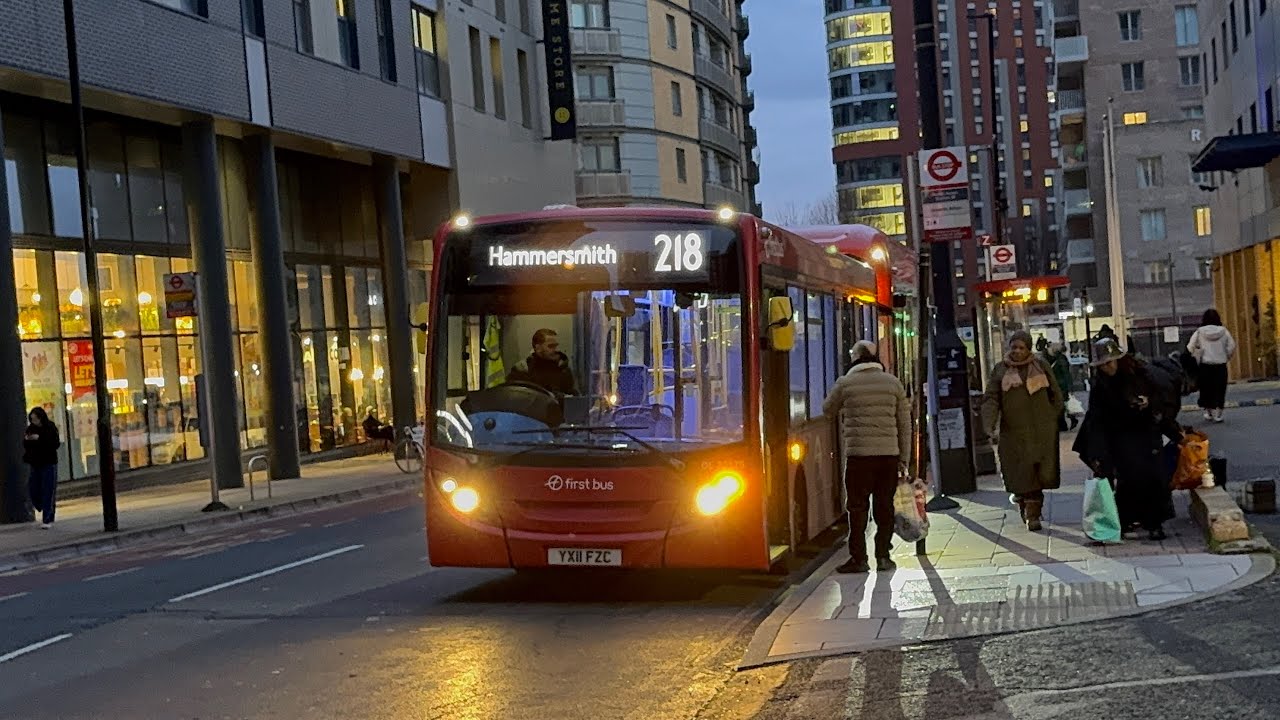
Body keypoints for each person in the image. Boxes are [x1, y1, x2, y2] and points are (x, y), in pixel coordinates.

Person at [1073, 338, 1182, 540]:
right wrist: (1098, 451)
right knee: (1128, 479)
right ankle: (1127, 520)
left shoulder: (1140, 374)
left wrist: (1148, 404)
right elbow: (1097, 418)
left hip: (1145, 432)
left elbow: (1161, 398)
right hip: (1120, 436)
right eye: (1103, 364)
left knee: (1153, 478)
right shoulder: (1101, 386)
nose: (1107, 367)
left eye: (1110, 362)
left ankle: (1154, 523)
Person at [822, 340, 911, 574]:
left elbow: (827, 409)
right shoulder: (893, 384)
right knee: (884, 507)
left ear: (856, 358)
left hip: (859, 456)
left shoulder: (846, 383)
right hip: (888, 456)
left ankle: (859, 559)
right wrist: (905, 457)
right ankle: (883, 556)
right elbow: (904, 424)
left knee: (857, 508)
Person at [980, 331, 1064, 531]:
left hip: (1041, 431)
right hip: (1013, 433)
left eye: (1021, 348)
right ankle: (1024, 506)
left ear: (1028, 349)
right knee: (1019, 473)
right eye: (1014, 347)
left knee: (1038, 473)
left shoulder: (1040, 366)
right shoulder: (1001, 371)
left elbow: (1055, 393)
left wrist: (1053, 415)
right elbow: (991, 398)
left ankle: (1033, 514)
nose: (1017, 351)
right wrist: (989, 425)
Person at [1187, 308, 1236, 423]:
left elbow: (1190, 347)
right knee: (1220, 389)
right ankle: (1219, 415)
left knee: (1206, 390)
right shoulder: (1224, 331)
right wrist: (1226, 356)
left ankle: (1209, 413)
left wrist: (1197, 354)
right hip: (1220, 364)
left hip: (1205, 365)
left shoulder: (1199, 332)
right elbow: (1232, 346)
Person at [506, 328, 578, 395]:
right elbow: (514, 397)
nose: (555, 350)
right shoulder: (523, 370)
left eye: (556, 346)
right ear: (538, 348)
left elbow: (571, 398)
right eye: (550, 346)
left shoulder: (563, 369)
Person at [23, 407, 61, 528]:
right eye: (32, 419)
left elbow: (55, 443)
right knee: (33, 487)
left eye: (36, 419)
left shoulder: (49, 427)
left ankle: (47, 518)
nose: (34, 422)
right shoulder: (30, 429)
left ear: (41, 418)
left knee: (48, 490)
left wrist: (39, 439)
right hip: (35, 463)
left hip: (49, 462)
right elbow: (26, 444)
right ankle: (40, 506)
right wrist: (28, 440)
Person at [1044, 342, 1076, 430]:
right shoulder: (1060, 358)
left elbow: (1065, 373)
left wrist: (1069, 387)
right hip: (1060, 385)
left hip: (1059, 385)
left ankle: (1065, 423)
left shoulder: (1056, 359)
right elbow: (1066, 373)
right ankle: (1067, 421)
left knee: (1061, 405)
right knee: (1062, 405)